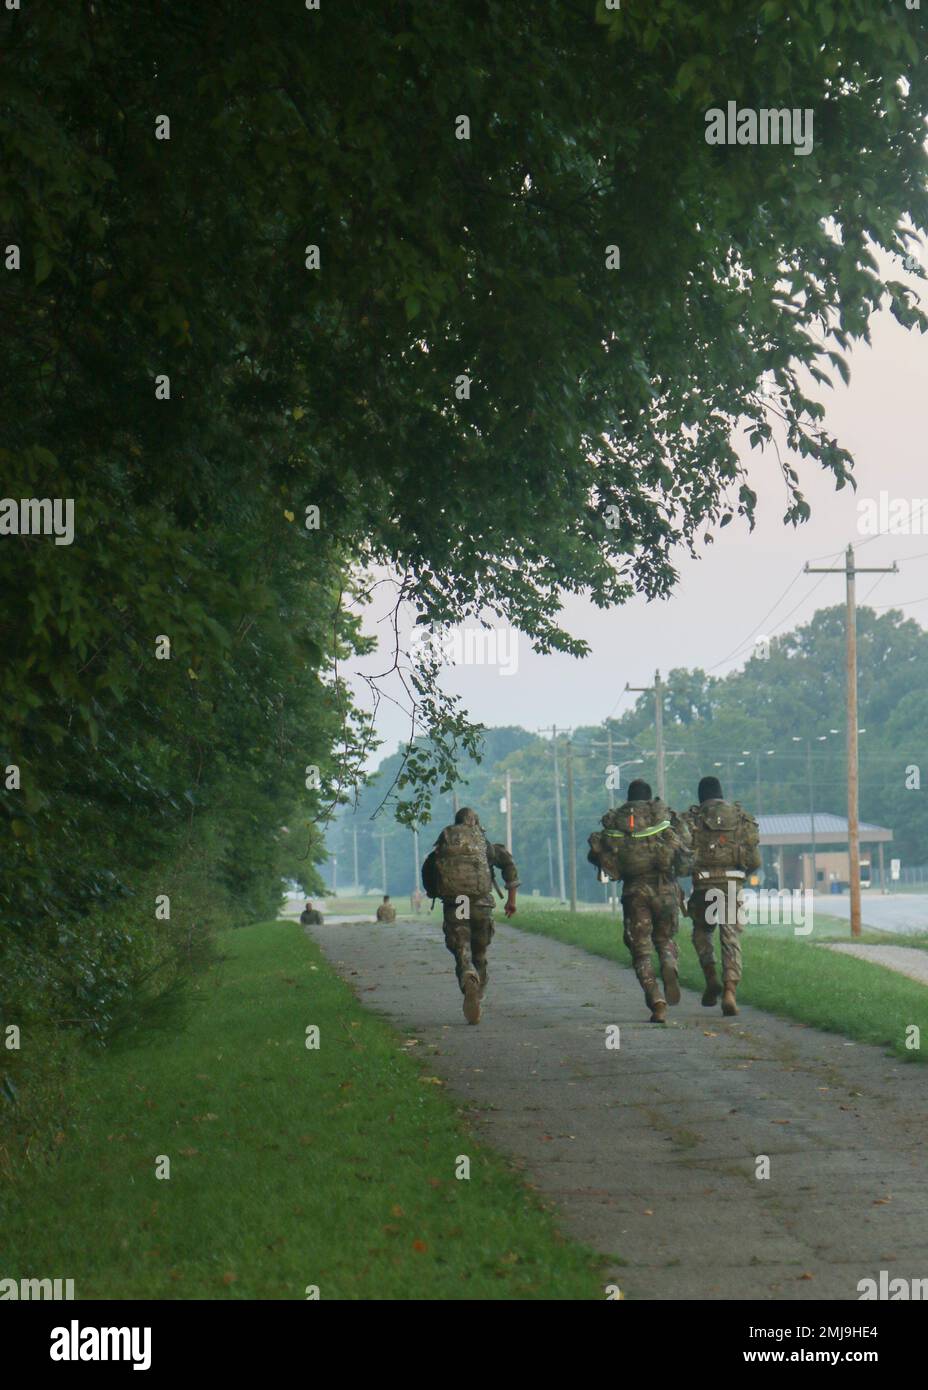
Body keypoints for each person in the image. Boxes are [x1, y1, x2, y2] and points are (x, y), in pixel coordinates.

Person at [587, 779, 691, 1023]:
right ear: (649, 797)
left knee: (640, 949)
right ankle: (668, 961)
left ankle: (656, 999)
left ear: (629, 797)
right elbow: (685, 847)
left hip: (635, 892)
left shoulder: (617, 821)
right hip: (666, 888)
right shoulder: (662, 817)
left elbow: (597, 854)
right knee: (664, 938)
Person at [421, 807, 519, 1025]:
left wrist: (434, 892)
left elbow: (428, 869)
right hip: (480, 904)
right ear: (475, 823)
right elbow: (509, 865)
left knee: (462, 947)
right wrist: (511, 900)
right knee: (480, 952)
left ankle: (467, 975)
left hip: (458, 904)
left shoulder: (445, 846)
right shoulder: (485, 846)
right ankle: (479, 993)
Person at [685, 776, 761, 1017]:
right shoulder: (740, 818)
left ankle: (710, 977)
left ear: (701, 797)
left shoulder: (692, 819)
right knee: (730, 935)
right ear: (722, 793)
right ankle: (729, 991)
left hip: (703, 886)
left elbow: (682, 858)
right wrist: (742, 875)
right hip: (731, 884)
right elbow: (754, 860)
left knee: (702, 931)